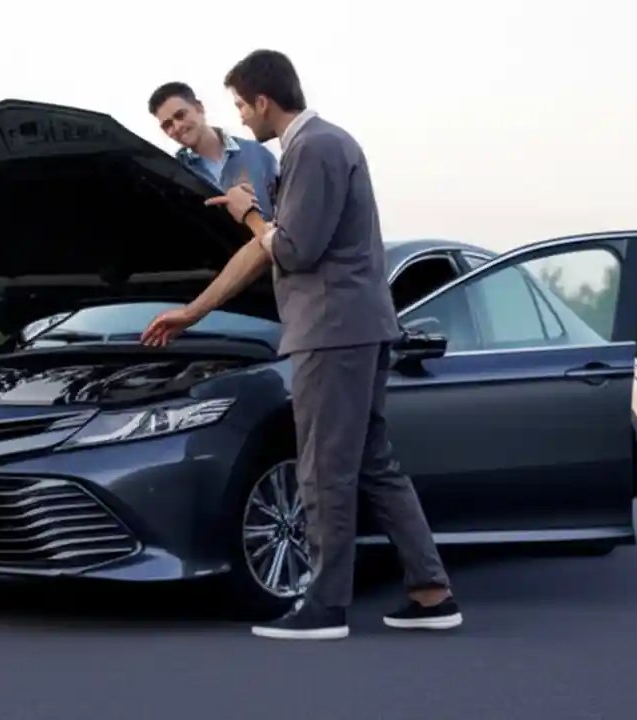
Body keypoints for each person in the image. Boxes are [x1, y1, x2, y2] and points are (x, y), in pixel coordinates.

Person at [141, 50, 463, 640]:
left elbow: (291, 250)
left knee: (321, 469)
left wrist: (251, 214)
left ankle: (324, 607)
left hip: (332, 331)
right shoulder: (325, 145)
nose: (242, 117)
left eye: (241, 104)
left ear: (262, 101)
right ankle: (431, 590)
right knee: (373, 464)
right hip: (356, 326)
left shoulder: (312, 148)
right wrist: (194, 310)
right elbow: (274, 247)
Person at [148, 81, 278, 220]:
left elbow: (287, 210)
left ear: (199, 108)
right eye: (168, 125)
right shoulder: (175, 176)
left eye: (180, 115)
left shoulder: (257, 153)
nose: (177, 126)